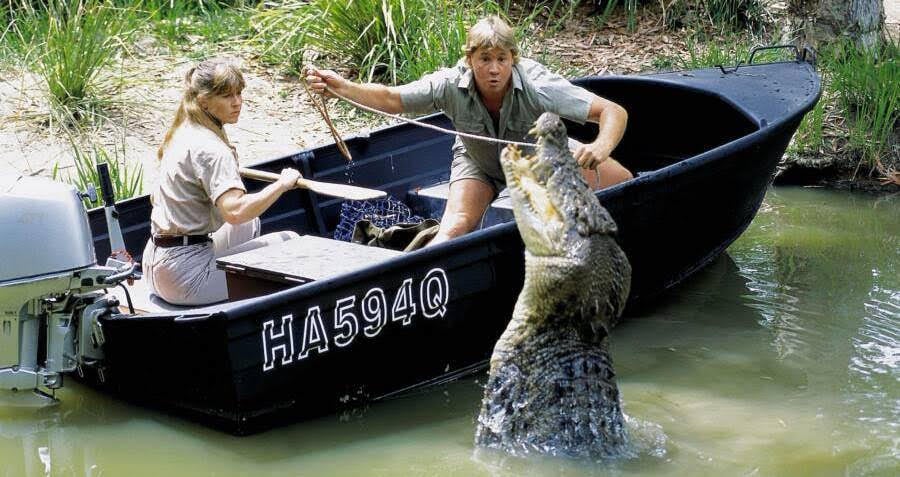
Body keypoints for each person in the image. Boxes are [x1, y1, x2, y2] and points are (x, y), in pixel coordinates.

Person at [307, 15, 632, 246]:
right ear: (469, 59)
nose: (493, 69)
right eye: (484, 58)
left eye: (501, 59)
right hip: (478, 164)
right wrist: (342, 86)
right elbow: (392, 99)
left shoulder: (539, 85)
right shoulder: (449, 84)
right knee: (453, 229)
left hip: (542, 159)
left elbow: (612, 111)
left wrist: (601, 146)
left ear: (513, 60)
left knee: (627, 185)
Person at [143, 58, 301, 306]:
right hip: (185, 277)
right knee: (290, 243)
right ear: (204, 101)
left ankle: (229, 279)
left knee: (250, 224)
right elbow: (235, 211)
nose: (237, 102)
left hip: (156, 262)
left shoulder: (183, 131)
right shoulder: (212, 149)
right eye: (227, 96)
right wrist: (281, 184)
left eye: (239, 93)